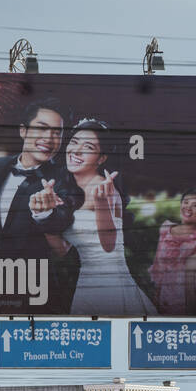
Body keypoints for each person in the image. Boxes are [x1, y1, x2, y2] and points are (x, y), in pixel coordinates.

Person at [0, 97, 75, 313]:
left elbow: (63, 219)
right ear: (23, 131)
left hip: (37, 295)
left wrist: (46, 212)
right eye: (42, 128)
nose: (49, 138)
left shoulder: (63, 176)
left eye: (57, 133)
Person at [36, 119, 155, 315]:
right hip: (85, 285)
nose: (76, 150)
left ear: (101, 159)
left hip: (112, 286)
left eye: (88, 147)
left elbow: (108, 246)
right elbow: (62, 250)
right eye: (74, 142)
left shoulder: (106, 189)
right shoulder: (67, 191)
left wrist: (101, 204)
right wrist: (43, 217)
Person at [148, 189, 196, 313]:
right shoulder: (166, 229)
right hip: (165, 298)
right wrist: (156, 297)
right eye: (185, 202)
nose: (188, 208)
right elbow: (159, 267)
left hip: (191, 300)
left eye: (195, 205)